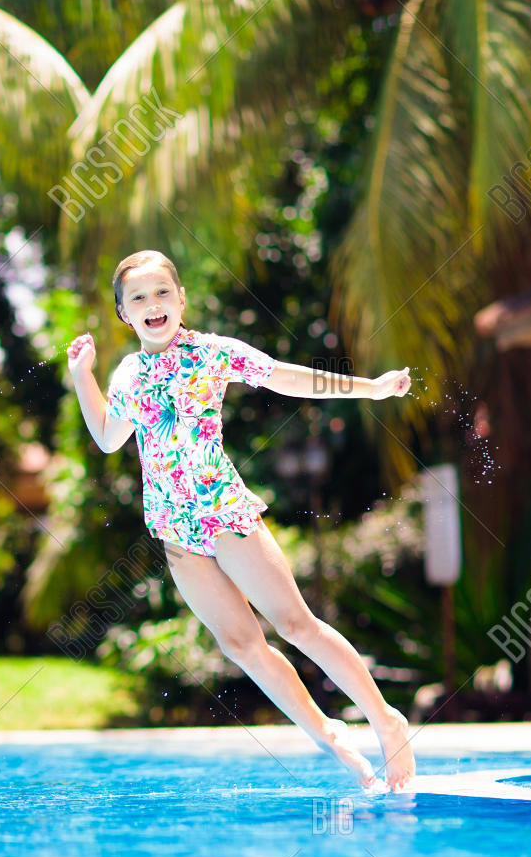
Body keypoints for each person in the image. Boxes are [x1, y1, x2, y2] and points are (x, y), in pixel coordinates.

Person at [67, 249, 416, 791]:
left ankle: (384, 717)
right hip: (174, 528)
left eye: (162, 292)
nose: (152, 304)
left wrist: (369, 388)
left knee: (295, 624)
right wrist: (81, 376)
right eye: (138, 298)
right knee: (238, 644)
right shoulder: (129, 372)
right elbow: (110, 435)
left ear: (181, 300)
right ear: (123, 314)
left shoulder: (210, 352)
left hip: (222, 510)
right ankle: (327, 733)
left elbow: (284, 378)